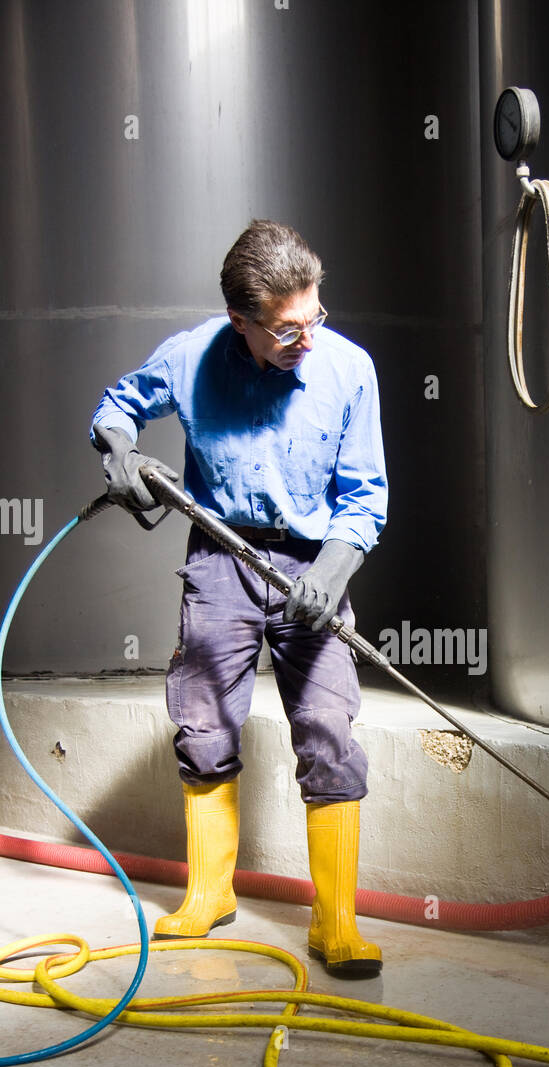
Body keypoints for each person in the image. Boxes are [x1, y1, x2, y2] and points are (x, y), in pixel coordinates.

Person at [90, 220, 388, 976]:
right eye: (287, 329)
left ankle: (336, 921)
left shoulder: (348, 370)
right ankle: (209, 894)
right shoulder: (191, 357)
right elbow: (117, 406)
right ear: (240, 322)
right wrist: (120, 452)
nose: (307, 338)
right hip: (220, 557)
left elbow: (365, 497)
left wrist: (335, 566)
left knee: (327, 728)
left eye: (315, 316)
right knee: (203, 723)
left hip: (311, 565)